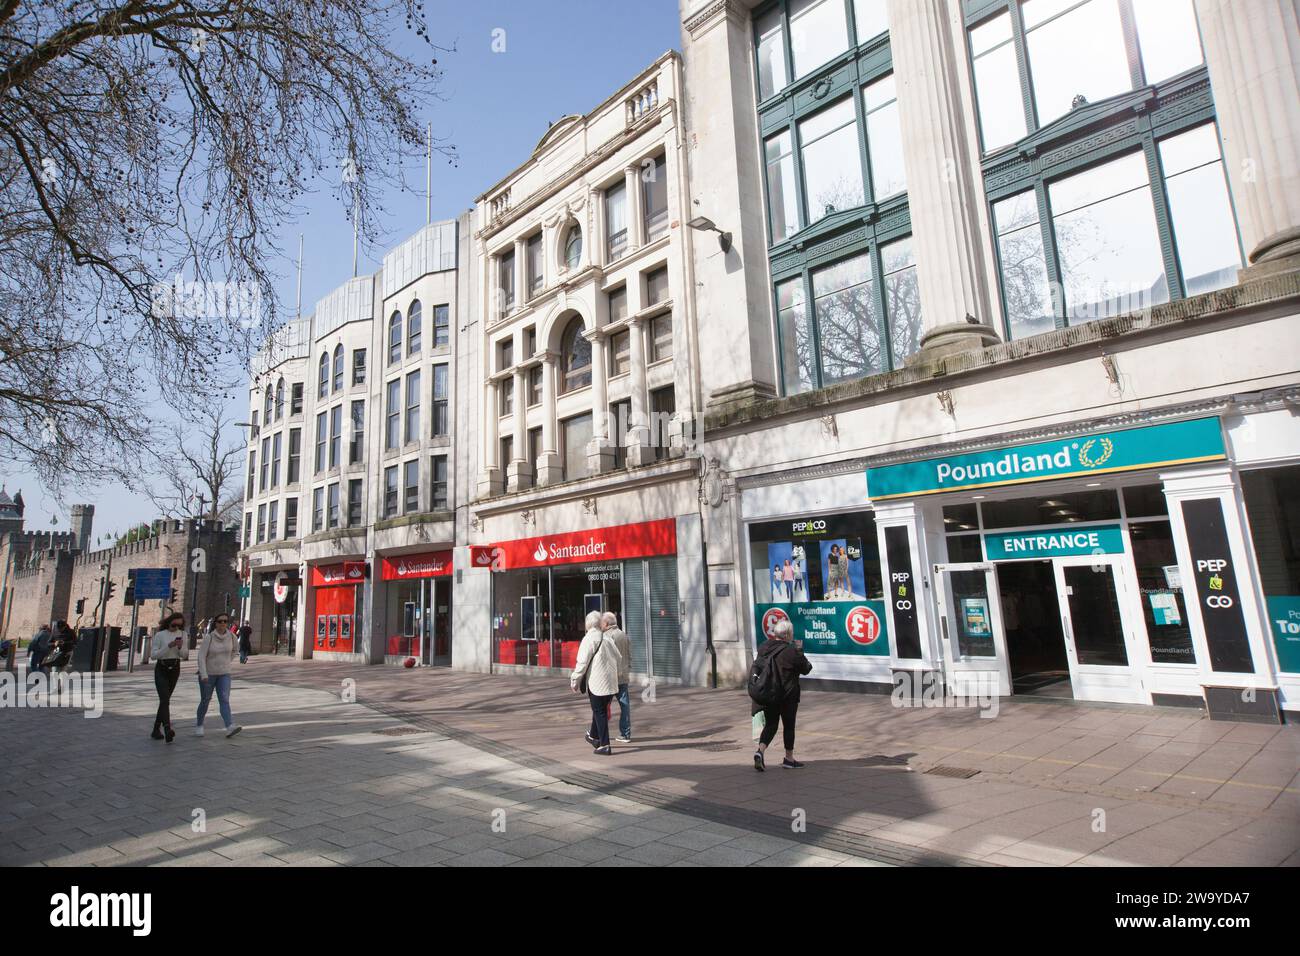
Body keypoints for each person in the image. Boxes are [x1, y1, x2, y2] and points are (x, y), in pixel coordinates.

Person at [752, 618, 813, 771]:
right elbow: (807, 668)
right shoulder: (792, 651)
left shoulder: (764, 647)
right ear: (787, 635)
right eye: (791, 633)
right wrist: (800, 651)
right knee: (788, 726)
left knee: (771, 724)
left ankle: (760, 751)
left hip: (769, 693)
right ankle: (789, 758)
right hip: (787, 695)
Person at [570, 610, 620, 755]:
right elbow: (618, 657)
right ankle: (593, 736)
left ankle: (604, 745)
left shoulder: (588, 639)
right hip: (611, 683)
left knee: (599, 712)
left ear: (588, 624)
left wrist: (575, 681)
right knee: (600, 710)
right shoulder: (607, 638)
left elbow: (582, 663)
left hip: (597, 683)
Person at [195, 613, 242, 738]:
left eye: (225, 621)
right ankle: (199, 724)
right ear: (215, 623)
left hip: (224, 674)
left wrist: (227, 661)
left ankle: (229, 726)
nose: (223, 624)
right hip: (208, 674)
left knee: (224, 700)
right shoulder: (209, 638)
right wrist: (203, 673)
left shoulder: (231, 636)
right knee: (205, 700)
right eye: (220, 621)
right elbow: (201, 656)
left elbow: (235, 650)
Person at [150, 612, 189, 742]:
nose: (176, 628)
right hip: (161, 668)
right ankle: (167, 729)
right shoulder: (160, 635)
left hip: (175, 668)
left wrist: (179, 647)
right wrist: (168, 646)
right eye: (174, 625)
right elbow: (154, 655)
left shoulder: (183, 634)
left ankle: (156, 729)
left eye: (179, 625)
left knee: (164, 700)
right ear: (169, 623)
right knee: (165, 699)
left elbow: (184, 655)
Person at [601, 611, 632, 743]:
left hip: (609, 678)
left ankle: (599, 733)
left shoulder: (606, 637)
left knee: (601, 707)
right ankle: (625, 733)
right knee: (624, 705)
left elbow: (604, 659)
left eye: (602, 622)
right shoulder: (623, 635)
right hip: (623, 675)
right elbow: (629, 655)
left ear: (607, 623)